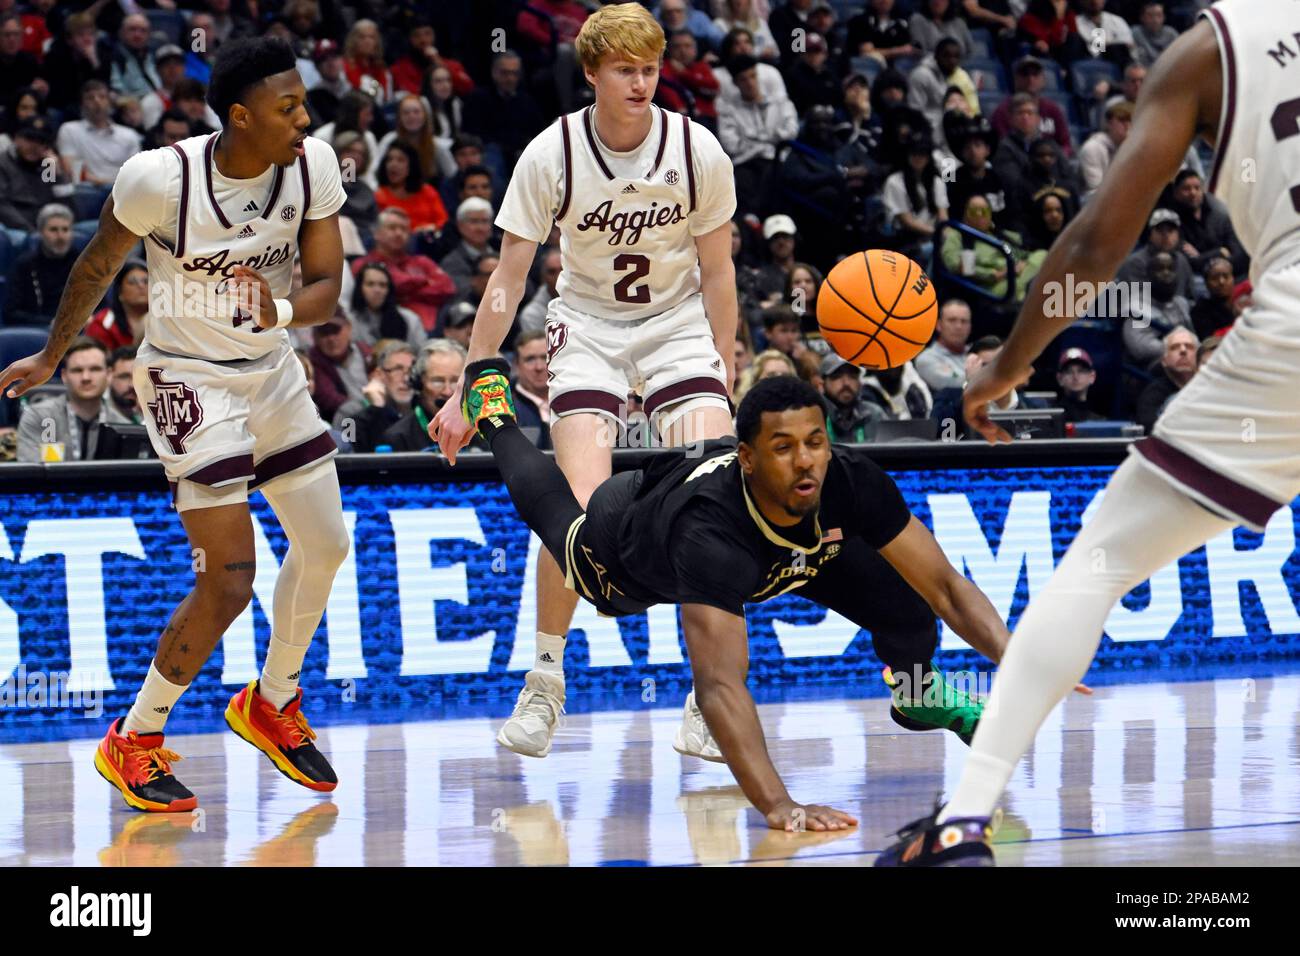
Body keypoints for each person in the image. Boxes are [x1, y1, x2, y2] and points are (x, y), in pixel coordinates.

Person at [879, 1, 1299, 865]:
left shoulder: (1206, 51)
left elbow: (1097, 243)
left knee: (1095, 564)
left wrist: (1006, 367)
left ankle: (962, 821)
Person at [0, 37, 350, 813]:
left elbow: (327, 284)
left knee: (326, 542)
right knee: (229, 581)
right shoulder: (160, 178)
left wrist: (281, 310)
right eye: (287, 106)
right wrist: (55, 354)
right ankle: (136, 738)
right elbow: (95, 266)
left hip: (271, 371)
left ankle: (273, 701)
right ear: (239, 115)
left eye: (303, 103)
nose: (304, 118)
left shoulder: (312, 165)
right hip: (186, 380)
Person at [458, 367, 1020, 828]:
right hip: (628, 546)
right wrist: (780, 805)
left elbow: (946, 586)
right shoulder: (708, 535)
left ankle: (916, 693)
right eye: (784, 448)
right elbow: (720, 685)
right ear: (749, 458)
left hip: (779, 547)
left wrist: (1019, 663)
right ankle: (495, 417)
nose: (805, 461)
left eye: (815, 443)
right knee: (560, 526)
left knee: (906, 606)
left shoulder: (847, 477)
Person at [430, 4, 740, 763]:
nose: (642, 83)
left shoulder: (695, 150)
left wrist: (723, 368)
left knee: (714, 492)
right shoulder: (551, 154)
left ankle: (713, 695)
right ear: (593, 73)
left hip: (675, 324)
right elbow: (507, 278)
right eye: (626, 70)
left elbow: (721, 268)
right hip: (589, 329)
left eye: (651, 68)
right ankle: (544, 679)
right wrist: (468, 384)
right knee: (577, 505)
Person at [16, 337, 134, 461]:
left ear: (109, 375)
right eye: (77, 370)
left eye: (95, 369)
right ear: (64, 376)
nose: (86, 377)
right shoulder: (39, 416)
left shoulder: (123, 426)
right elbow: (30, 476)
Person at [351, 207, 457, 332]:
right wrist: (426, 282)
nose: (398, 233)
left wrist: (407, 292)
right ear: (376, 233)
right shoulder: (363, 264)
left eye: (404, 229)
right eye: (392, 228)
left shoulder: (422, 262)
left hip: (434, 327)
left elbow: (448, 287)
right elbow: (397, 285)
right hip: (385, 329)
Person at [718, 54, 798, 218]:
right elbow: (731, 145)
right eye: (743, 79)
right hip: (746, 162)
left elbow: (791, 131)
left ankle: (764, 220)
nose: (750, 83)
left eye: (753, 76)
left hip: (779, 159)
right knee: (744, 179)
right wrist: (770, 140)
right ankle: (753, 221)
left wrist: (752, 139)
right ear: (735, 83)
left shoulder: (780, 102)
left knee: (777, 175)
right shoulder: (728, 109)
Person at [383, 339, 484, 452]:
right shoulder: (398, 437)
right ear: (419, 384)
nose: (447, 391)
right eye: (438, 381)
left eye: (455, 381)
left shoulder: (485, 431)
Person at [332, 340, 417, 453]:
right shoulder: (350, 412)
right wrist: (375, 410)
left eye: (412, 370)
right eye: (397, 369)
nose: (406, 378)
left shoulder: (424, 408)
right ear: (379, 374)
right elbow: (347, 456)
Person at [55, 80, 142, 185]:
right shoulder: (70, 130)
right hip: (86, 190)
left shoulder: (129, 135)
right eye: (90, 98)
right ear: (82, 104)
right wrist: (106, 184)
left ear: (110, 102)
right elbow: (72, 170)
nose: (97, 101)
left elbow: (135, 174)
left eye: (102, 97)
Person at [5, 202, 77, 328]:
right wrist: (49, 322)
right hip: (37, 329)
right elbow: (11, 313)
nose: (60, 236)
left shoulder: (82, 263)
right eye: (53, 230)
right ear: (41, 232)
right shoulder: (24, 266)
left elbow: (102, 305)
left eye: (65, 229)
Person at [990, 56, 1073, 159]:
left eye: (1035, 74)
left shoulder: (1053, 110)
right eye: (1025, 74)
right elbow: (1001, 150)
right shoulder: (1003, 112)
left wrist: (1056, 159)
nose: (1031, 79)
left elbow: (1066, 144)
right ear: (1016, 79)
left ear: (1043, 79)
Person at [0, 119, 71, 233]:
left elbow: (67, 207)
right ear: (16, 139)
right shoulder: (3, 163)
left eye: (41, 141)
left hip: (48, 226)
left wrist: (59, 176)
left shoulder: (47, 165)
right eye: (29, 139)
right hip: (14, 227)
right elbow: (2, 206)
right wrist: (31, 231)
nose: (34, 146)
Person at [374, 140, 449, 234]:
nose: (393, 164)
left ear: (411, 166)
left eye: (400, 160)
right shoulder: (379, 196)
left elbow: (443, 222)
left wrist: (431, 228)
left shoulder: (428, 192)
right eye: (389, 160)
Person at [1134, 325, 1197, 434]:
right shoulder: (1153, 392)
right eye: (1175, 347)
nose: (1183, 350)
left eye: (1189, 346)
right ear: (1164, 360)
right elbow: (1150, 427)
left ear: (1198, 356)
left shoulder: (1210, 387)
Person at [84, 261, 150, 349]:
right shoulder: (102, 324)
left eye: (146, 281)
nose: (141, 286)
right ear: (119, 292)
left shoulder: (167, 318)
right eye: (132, 282)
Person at [821, 353, 887, 441]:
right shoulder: (815, 415)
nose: (846, 383)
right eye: (837, 377)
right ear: (822, 383)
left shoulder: (874, 414)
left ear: (860, 382)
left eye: (852, 376)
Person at [1078, 99, 1133, 201]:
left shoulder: (1131, 147)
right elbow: (1095, 190)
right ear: (1109, 123)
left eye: (1130, 120)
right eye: (1122, 120)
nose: (1127, 125)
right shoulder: (1092, 148)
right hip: (1092, 206)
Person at [914, 298, 972, 392]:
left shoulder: (978, 353)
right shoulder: (926, 359)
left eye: (964, 321)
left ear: (970, 327)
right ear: (939, 325)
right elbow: (951, 385)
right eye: (952, 320)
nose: (959, 326)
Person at [510, 328, 552, 448]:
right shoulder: (504, 408)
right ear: (516, 365)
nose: (539, 367)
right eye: (530, 359)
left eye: (545, 358)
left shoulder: (573, 402)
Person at [1190, 255, 1235, 340]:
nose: (1221, 282)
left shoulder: (1243, 302)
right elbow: (1209, 342)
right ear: (1206, 283)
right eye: (1215, 278)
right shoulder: (1200, 311)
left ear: (1233, 279)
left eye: (1226, 276)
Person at [1053, 346, 1103, 423]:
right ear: (1059, 378)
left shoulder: (1100, 422)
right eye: (1069, 372)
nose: (1075, 377)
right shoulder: (1051, 419)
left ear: (1092, 377)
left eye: (1081, 371)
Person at [1131, 1, 1178, 67]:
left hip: (1167, 71)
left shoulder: (1171, 33)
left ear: (1164, 17)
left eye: (1159, 15)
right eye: (1150, 16)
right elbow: (1134, 58)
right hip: (1144, 71)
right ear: (1142, 17)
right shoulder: (1136, 33)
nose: (1155, 20)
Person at [106, 345, 141, 423]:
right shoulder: (100, 414)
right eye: (124, 377)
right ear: (109, 375)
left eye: (138, 376)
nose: (132, 385)